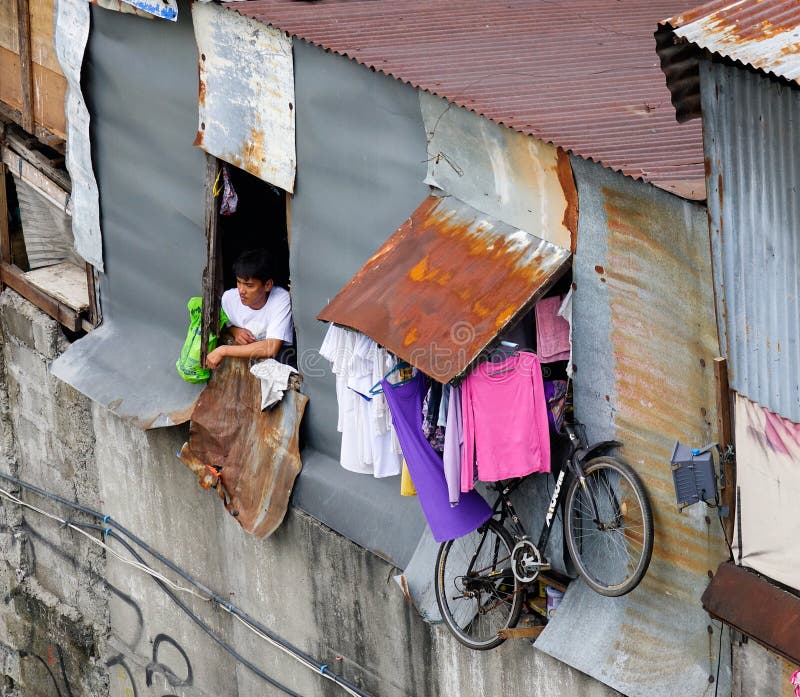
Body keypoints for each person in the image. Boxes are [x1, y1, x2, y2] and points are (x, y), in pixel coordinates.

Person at [206, 249, 293, 369]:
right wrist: (234, 330)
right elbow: (221, 327)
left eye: (249, 285)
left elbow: (271, 347)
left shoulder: (280, 299)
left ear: (267, 285)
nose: (241, 291)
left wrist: (224, 350)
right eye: (238, 282)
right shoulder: (229, 299)